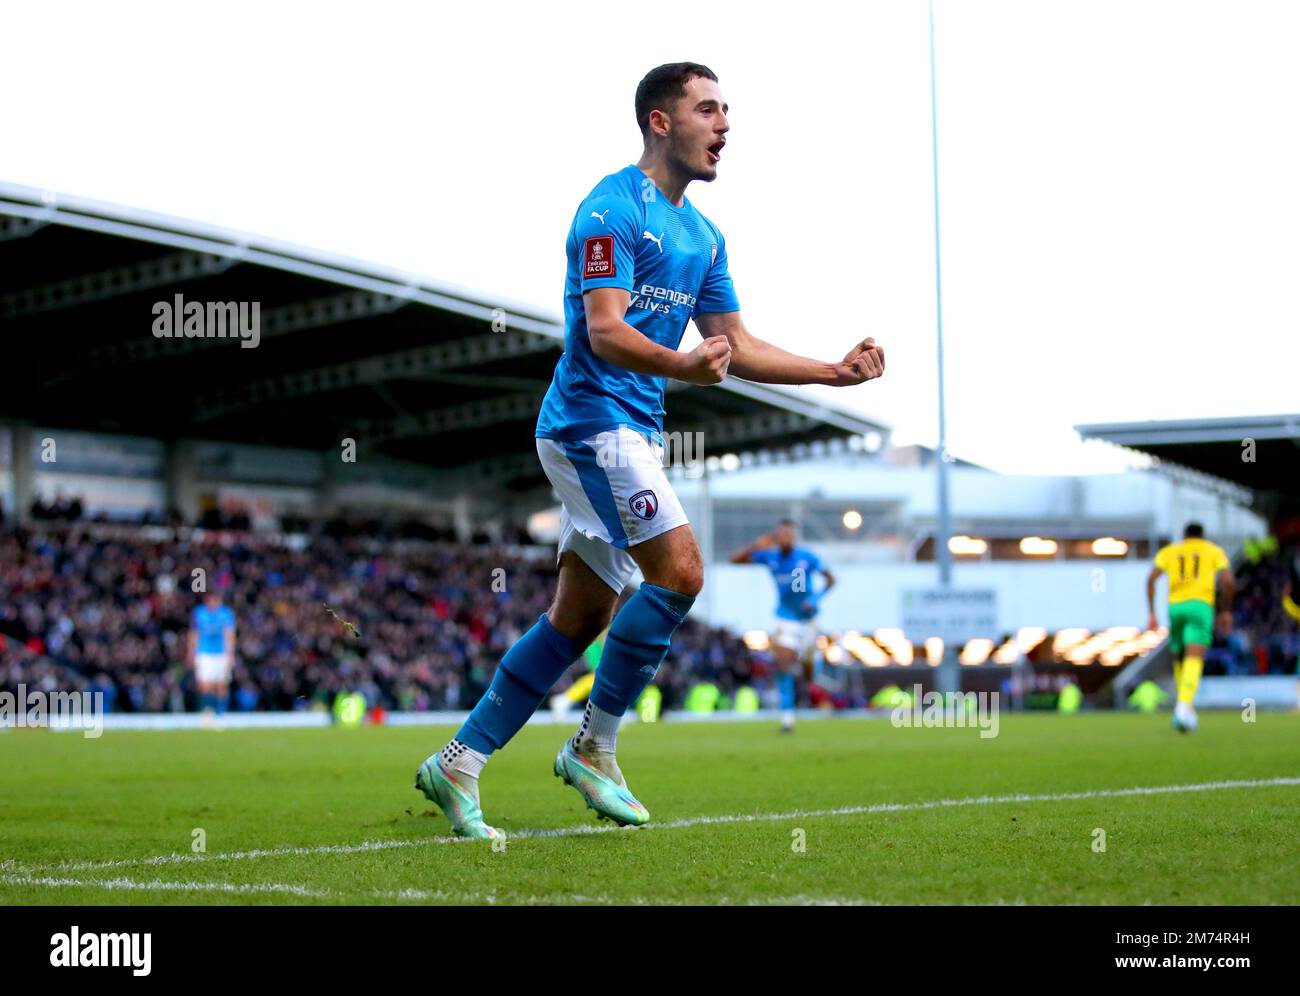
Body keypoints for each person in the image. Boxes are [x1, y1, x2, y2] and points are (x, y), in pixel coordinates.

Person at [414, 62, 886, 838]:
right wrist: (681, 365)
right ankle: (594, 747)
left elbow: (733, 343)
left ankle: (458, 763)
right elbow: (605, 329)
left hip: (628, 432)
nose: (724, 125)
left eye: (727, 111)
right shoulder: (610, 207)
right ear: (661, 122)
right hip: (588, 423)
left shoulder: (703, 235)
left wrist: (834, 372)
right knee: (682, 572)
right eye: (708, 110)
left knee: (577, 620)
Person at [731, 519, 835, 731]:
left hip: (808, 620)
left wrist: (815, 599)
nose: (786, 538)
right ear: (778, 537)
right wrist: (755, 546)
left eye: (789, 535)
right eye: (782, 535)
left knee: (809, 673)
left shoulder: (808, 557)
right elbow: (735, 560)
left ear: (794, 537)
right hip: (785, 618)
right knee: (782, 663)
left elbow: (831, 580)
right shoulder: (769, 556)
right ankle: (787, 717)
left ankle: (810, 662)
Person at [1146, 522, 1234, 733]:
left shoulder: (1171, 551)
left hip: (1175, 607)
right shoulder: (1212, 550)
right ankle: (1183, 707)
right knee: (1195, 656)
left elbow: (1150, 579)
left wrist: (1151, 613)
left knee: (1179, 655)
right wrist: (1225, 610)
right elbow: (1228, 580)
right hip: (1200, 605)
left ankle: (1185, 707)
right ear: (1202, 536)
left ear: (1184, 536)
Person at [188, 589, 236, 728]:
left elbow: (229, 634)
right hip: (204, 653)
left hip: (221, 653)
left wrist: (230, 654)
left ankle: (220, 715)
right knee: (205, 685)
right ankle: (207, 714)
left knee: (221, 685)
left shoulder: (226, 614)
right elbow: (194, 633)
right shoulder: (199, 613)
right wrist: (191, 652)